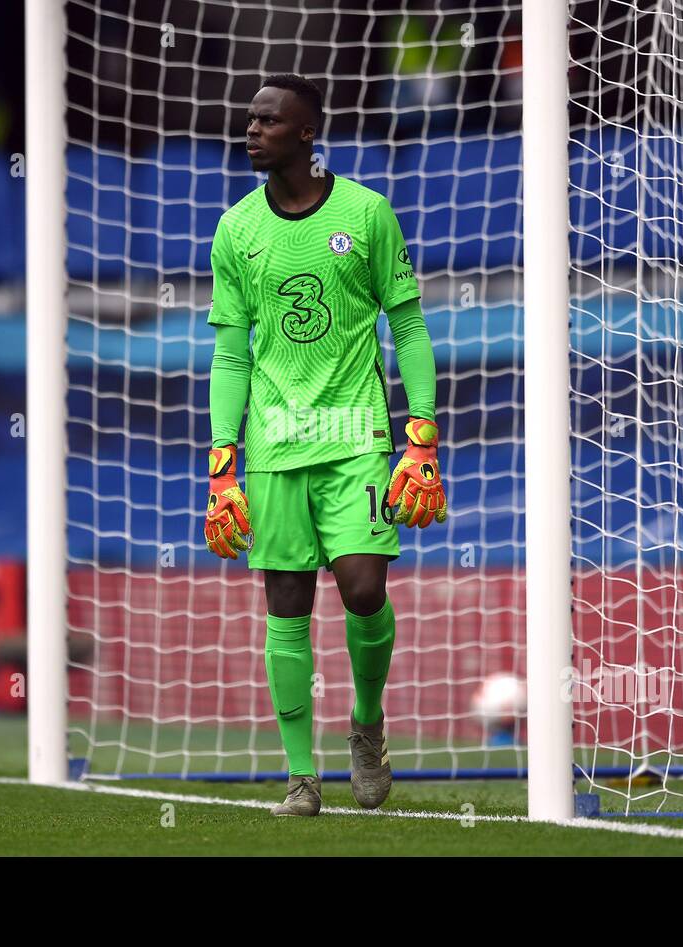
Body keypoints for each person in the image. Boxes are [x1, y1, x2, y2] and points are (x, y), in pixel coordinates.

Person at [203, 73, 446, 817]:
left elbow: (406, 326)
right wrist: (222, 459)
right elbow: (232, 352)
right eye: (249, 119)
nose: (251, 130)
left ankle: (366, 726)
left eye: (268, 120)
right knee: (286, 602)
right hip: (275, 443)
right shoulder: (235, 230)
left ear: (307, 131)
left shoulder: (367, 215)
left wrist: (423, 434)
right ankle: (302, 776)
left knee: (364, 588)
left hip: (356, 437)